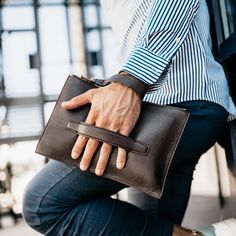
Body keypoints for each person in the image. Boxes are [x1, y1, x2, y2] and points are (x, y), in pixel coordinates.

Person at [23, 0, 236, 235]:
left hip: (174, 103)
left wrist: (131, 81)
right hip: (164, 107)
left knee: (42, 204)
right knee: (148, 224)